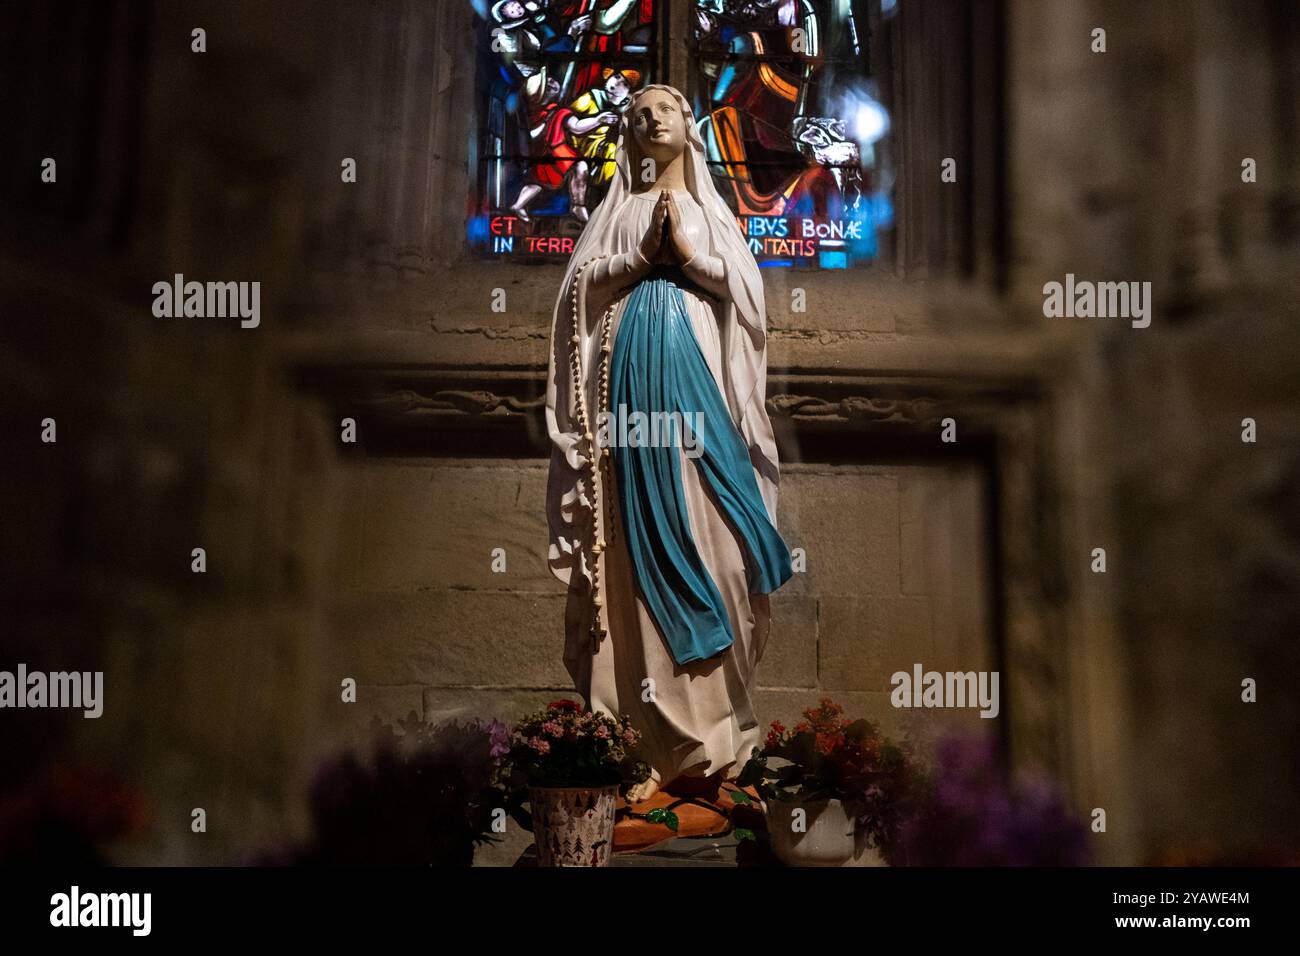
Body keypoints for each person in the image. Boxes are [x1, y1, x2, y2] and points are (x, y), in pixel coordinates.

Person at [545, 85, 793, 803]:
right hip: (626, 410)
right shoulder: (616, 213)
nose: (650, 118)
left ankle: (713, 740)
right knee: (625, 554)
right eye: (636, 113)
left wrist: (684, 256)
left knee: (719, 545)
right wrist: (637, 258)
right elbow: (576, 301)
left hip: (702, 404)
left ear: (691, 125)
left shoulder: (715, 216)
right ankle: (641, 741)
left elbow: (746, 303)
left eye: (665, 108)